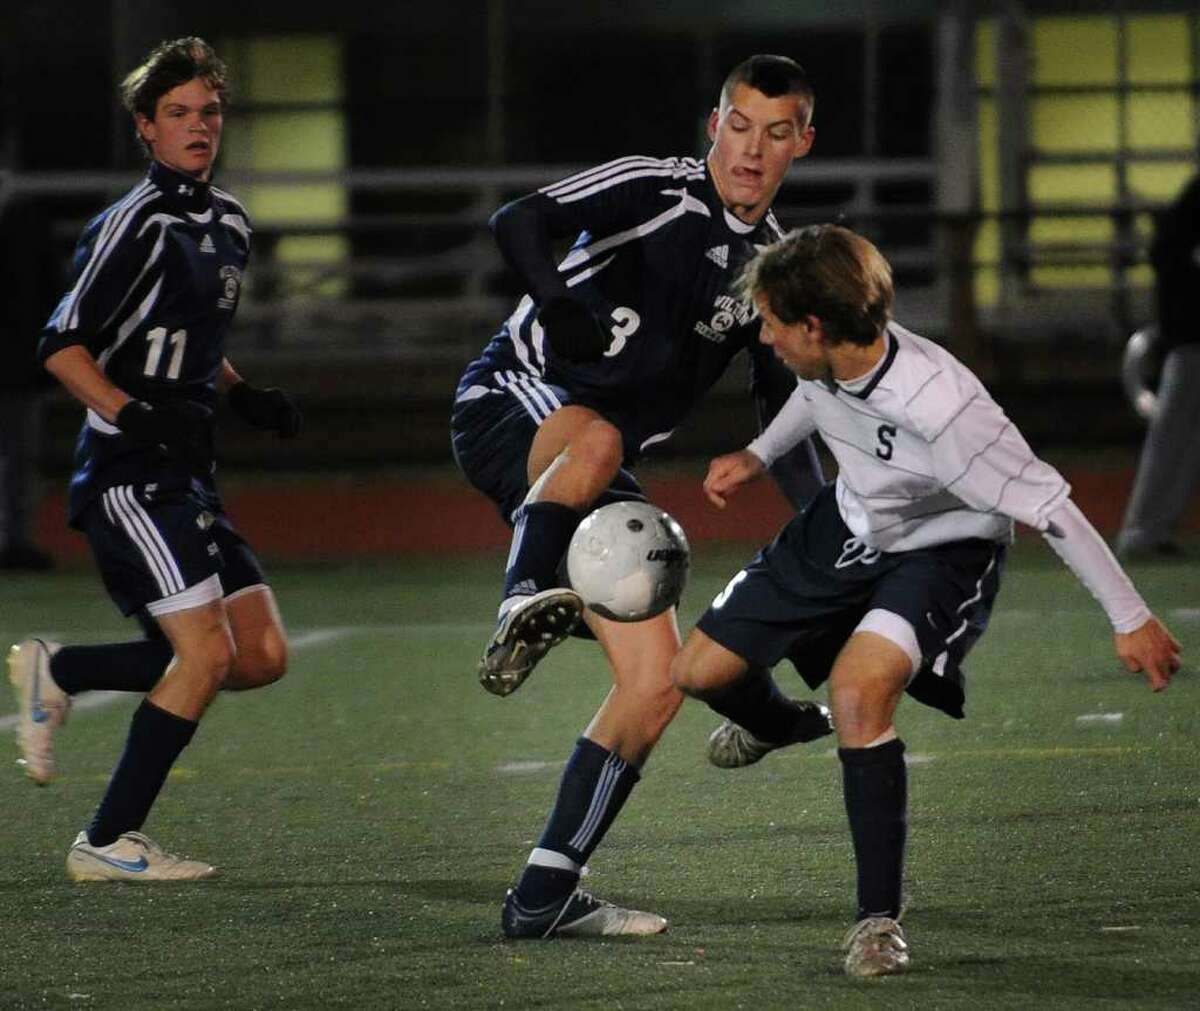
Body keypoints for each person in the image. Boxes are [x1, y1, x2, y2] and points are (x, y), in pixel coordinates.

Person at [668, 224, 1181, 976]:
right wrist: (757, 454)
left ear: (814, 326)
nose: (765, 335)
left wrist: (1130, 617)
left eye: (774, 322)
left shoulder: (945, 406)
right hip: (847, 521)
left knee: (859, 691)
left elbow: (1052, 507)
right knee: (697, 673)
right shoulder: (831, 351)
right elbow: (816, 398)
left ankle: (877, 921)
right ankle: (781, 725)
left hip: (942, 550)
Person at [451, 55, 834, 937]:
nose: (752, 148)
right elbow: (518, 220)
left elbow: (785, 417)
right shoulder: (655, 187)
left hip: (592, 455)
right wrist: (556, 299)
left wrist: (829, 532)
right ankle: (519, 601)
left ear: (801, 143)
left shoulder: (774, 268)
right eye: (740, 125)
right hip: (511, 401)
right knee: (599, 434)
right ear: (714, 124)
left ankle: (543, 893)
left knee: (657, 682)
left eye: (776, 133)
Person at [6, 37, 301, 882]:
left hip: (188, 471)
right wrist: (133, 415)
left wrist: (240, 392)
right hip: (130, 476)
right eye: (178, 114)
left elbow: (195, 340)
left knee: (260, 655)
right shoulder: (133, 222)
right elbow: (60, 345)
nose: (198, 127)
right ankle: (107, 839)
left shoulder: (232, 221)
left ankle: (58, 668)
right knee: (204, 655)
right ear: (147, 127)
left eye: (209, 111)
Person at [1115, 170, 1200, 558]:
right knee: (1174, 438)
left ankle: (1148, 530)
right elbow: (1168, 252)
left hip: (1188, 334)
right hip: (1192, 336)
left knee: (1179, 439)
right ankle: (1144, 532)